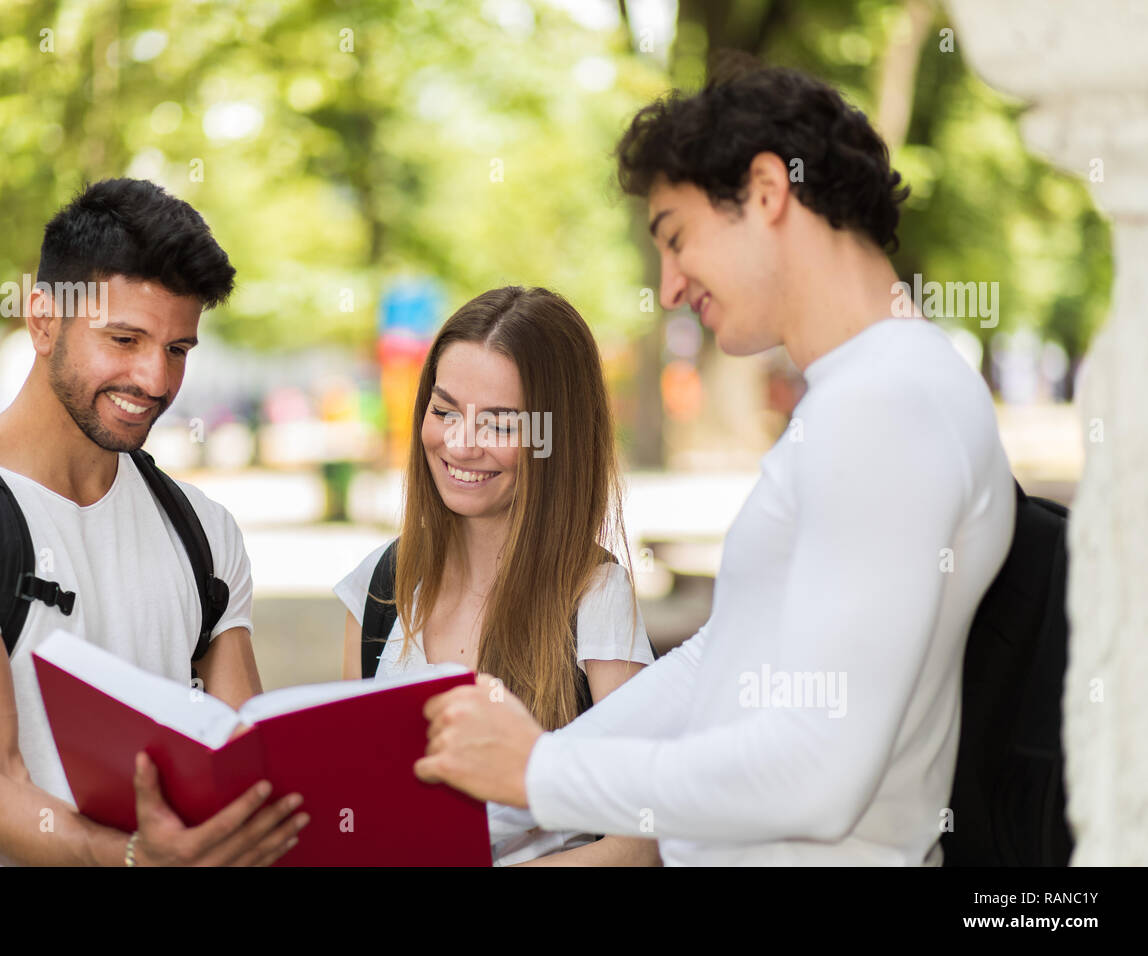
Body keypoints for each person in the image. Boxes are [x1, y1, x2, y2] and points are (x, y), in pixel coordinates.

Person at [413, 64, 1017, 865]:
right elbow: (719, 662)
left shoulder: (887, 404)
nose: (667, 286)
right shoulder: (867, 393)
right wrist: (478, 807)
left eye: (675, 236)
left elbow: (816, 769)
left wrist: (541, 771)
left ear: (768, 191)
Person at [0, 178, 307, 865]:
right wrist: (134, 859)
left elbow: (240, 766)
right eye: (124, 339)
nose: (154, 379)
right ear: (42, 319)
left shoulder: (203, 532)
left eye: (178, 349)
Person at [335, 286, 659, 865]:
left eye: (500, 424)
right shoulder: (380, 585)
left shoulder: (596, 598)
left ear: (553, 438)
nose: (460, 443)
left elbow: (638, 843)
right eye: (444, 411)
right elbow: (350, 806)